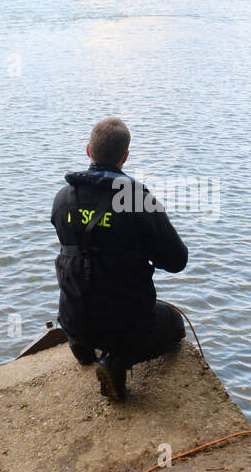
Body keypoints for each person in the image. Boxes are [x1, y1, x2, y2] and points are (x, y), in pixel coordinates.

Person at [52, 118, 189, 399]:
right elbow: (177, 260)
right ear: (125, 157)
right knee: (174, 324)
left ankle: (81, 345)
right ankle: (117, 360)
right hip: (125, 322)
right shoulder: (138, 200)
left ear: (88, 150)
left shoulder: (63, 198)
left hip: (73, 316)